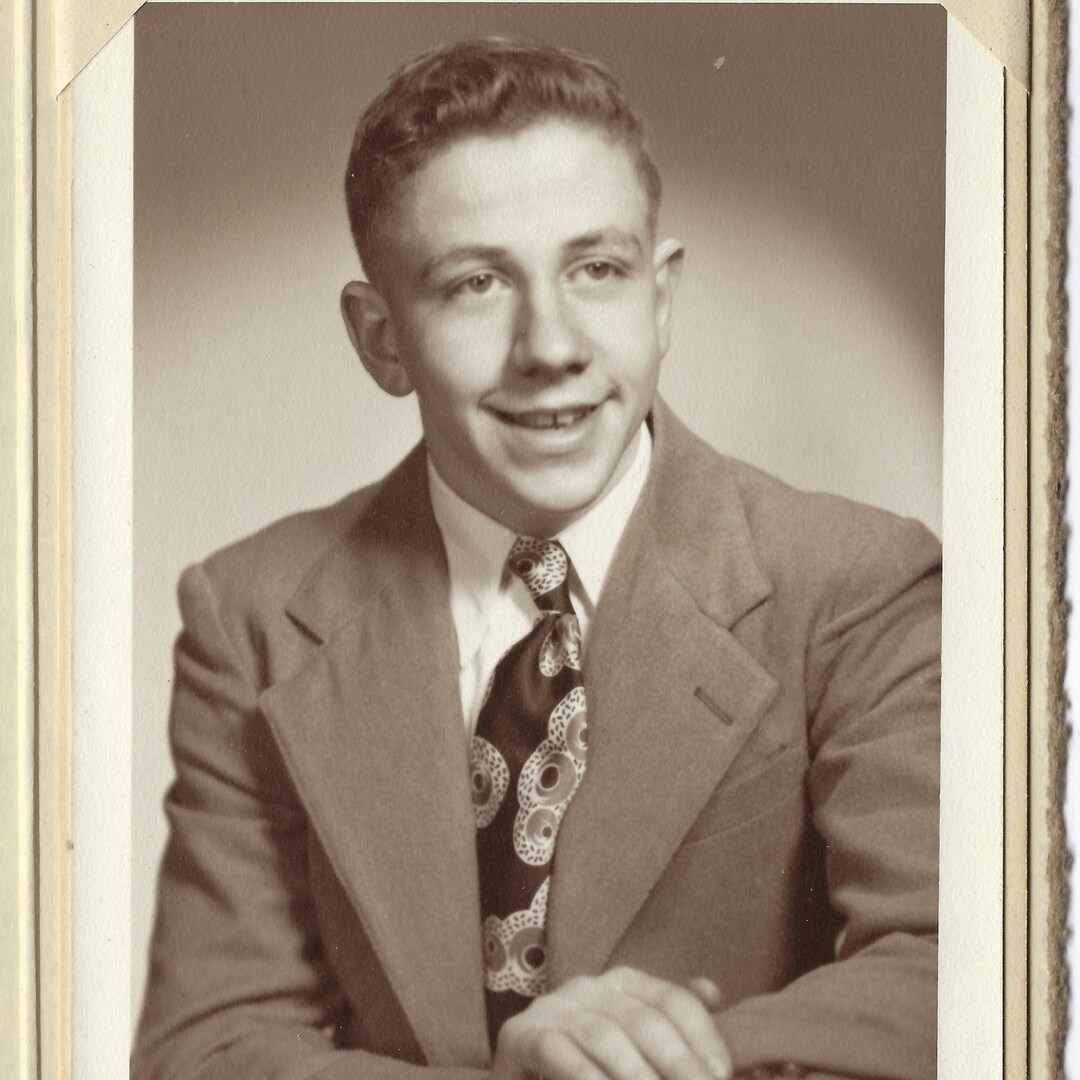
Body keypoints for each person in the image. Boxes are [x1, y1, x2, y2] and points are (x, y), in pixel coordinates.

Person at [132, 35, 940, 1080]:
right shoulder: (251, 616)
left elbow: (952, 971)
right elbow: (208, 1046)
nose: (550, 344)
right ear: (380, 339)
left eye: (596, 269)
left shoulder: (856, 585)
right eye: (476, 283)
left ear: (660, 297)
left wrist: (607, 1066)